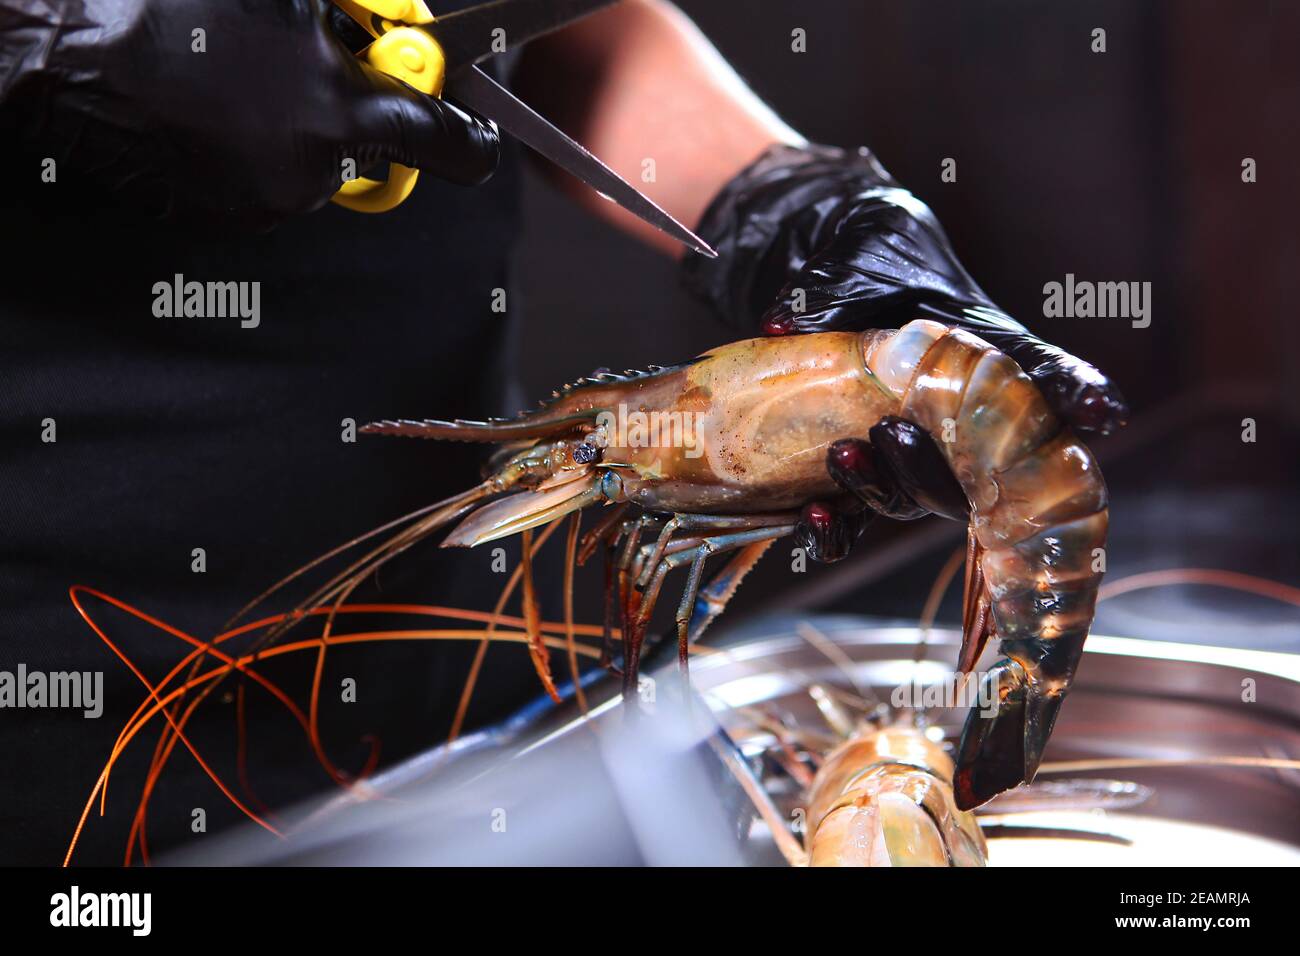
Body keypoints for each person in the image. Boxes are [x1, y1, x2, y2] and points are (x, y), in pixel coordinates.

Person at [0, 0, 1123, 864]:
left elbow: (546, 31)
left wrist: (778, 208)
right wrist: (33, 37)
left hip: (445, 678)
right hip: (65, 700)